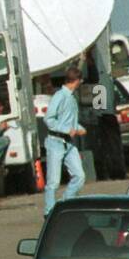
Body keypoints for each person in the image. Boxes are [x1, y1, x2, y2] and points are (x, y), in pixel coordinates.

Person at [43, 66, 87, 216]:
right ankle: (49, 210)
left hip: (69, 143)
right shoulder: (59, 96)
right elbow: (49, 119)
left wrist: (78, 128)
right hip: (56, 142)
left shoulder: (71, 98)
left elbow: (70, 121)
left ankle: (65, 203)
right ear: (76, 81)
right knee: (53, 182)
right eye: (80, 80)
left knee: (79, 176)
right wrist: (66, 129)